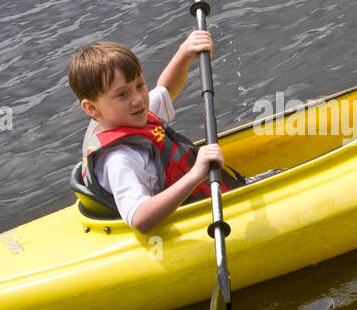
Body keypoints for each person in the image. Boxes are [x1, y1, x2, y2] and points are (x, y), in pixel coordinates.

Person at [68, 33, 243, 233]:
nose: (138, 99)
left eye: (140, 85)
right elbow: (140, 218)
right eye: (122, 94)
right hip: (200, 219)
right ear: (92, 108)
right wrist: (196, 174)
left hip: (212, 197)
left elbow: (167, 89)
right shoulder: (120, 160)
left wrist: (184, 52)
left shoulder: (127, 116)